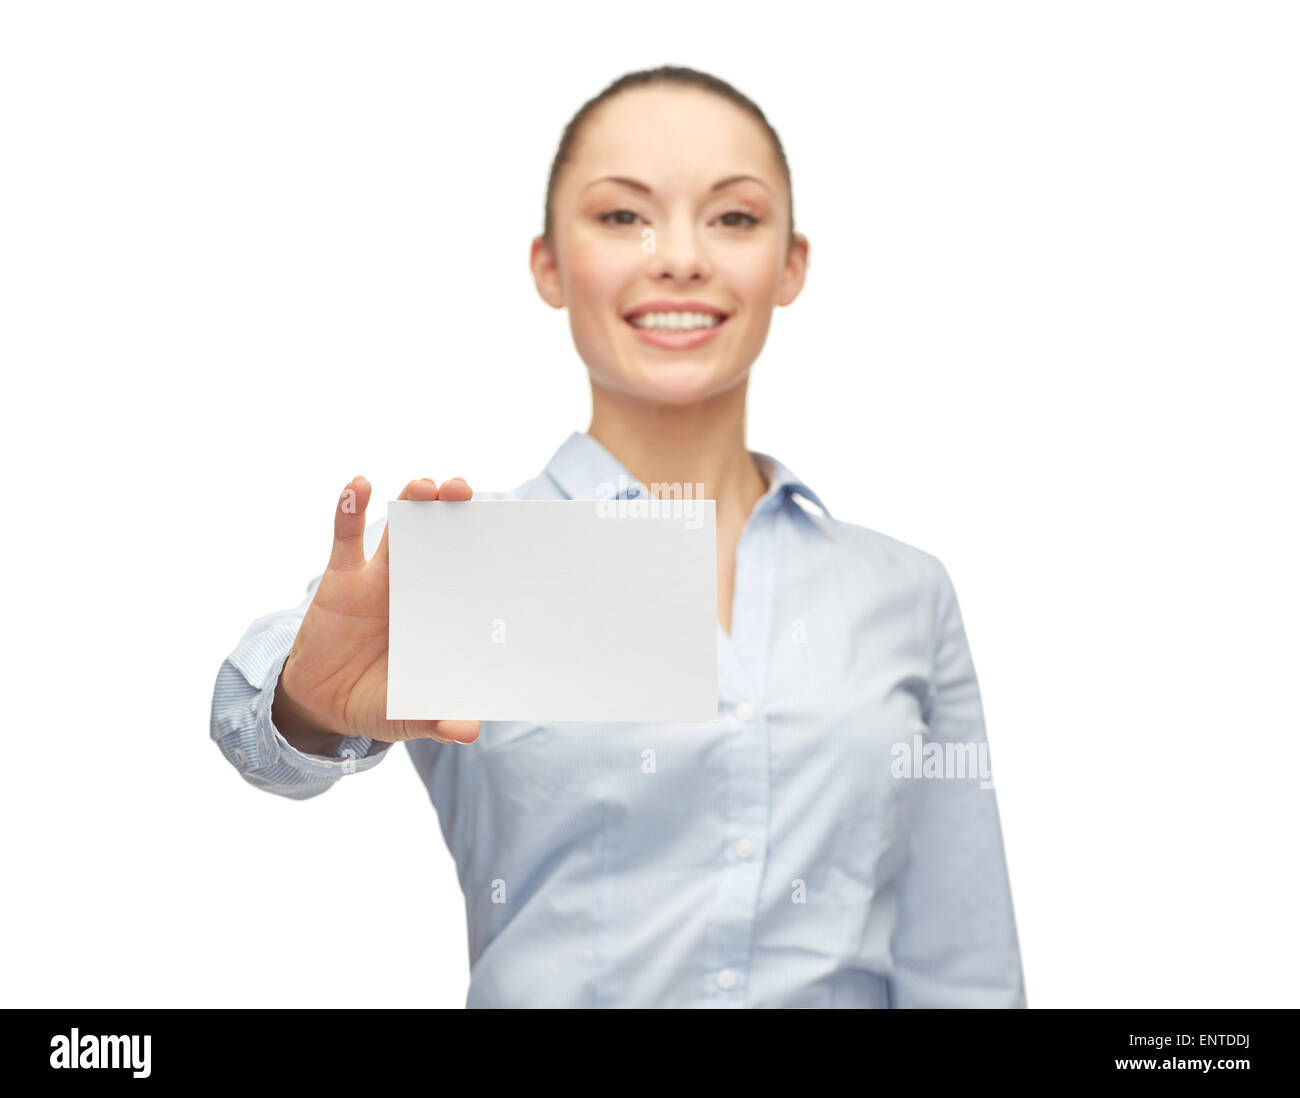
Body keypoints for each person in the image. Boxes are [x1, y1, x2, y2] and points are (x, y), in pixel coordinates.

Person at [210, 65, 1026, 1008]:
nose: (679, 256)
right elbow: (259, 730)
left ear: (790, 265)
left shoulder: (904, 593)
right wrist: (302, 707)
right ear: (549, 265)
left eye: (732, 217)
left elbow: (962, 963)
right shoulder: (478, 563)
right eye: (622, 216)